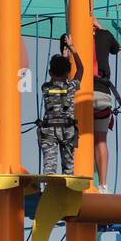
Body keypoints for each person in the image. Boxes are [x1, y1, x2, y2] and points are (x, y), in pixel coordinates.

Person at [38, 33, 84, 175]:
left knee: (49, 167)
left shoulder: (46, 87)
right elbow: (81, 69)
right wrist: (72, 49)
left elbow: (57, 77)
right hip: (67, 129)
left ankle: (48, 191)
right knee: (68, 168)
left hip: (49, 129)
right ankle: (67, 194)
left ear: (50, 72)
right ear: (68, 73)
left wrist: (64, 58)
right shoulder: (70, 86)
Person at [90, 19, 121, 191]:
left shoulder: (69, 37)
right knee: (101, 140)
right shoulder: (105, 35)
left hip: (82, 94)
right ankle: (103, 183)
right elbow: (115, 49)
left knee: (78, 138)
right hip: (103, 92)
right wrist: (101, 28)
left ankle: (80, 177)